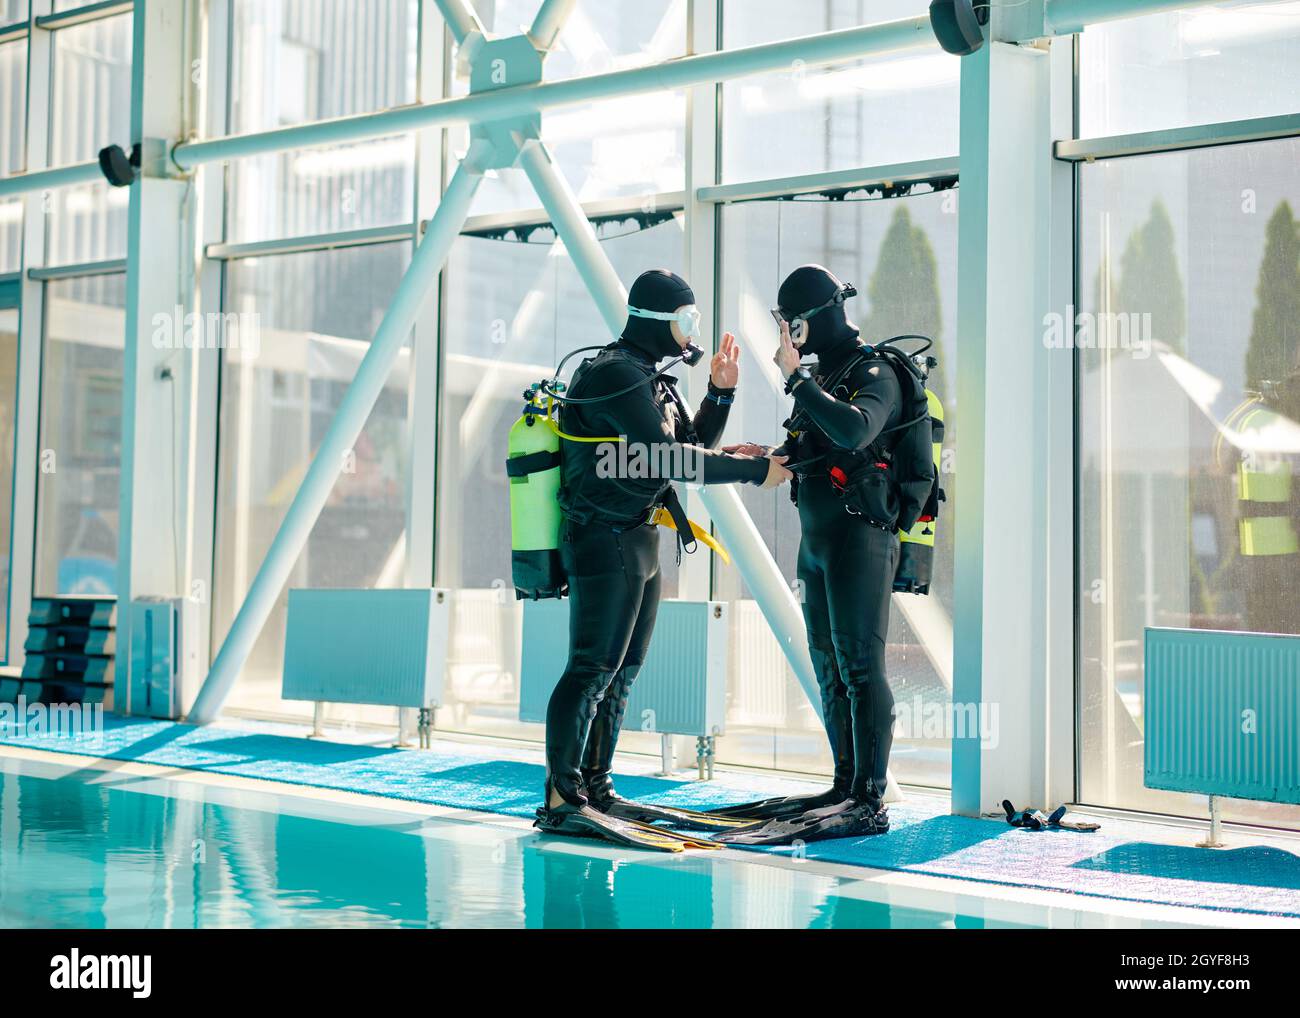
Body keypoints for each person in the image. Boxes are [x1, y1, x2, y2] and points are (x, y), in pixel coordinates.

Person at [535, 268, 792, 851]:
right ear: (661, 318)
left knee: (620, 674)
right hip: (603, 539)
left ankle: (594, 788)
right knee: (590, 669)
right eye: (688, 318)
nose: (693, 329)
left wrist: (721, 392)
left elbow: (688, 447)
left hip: (638, 539)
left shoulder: (649, 377)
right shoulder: (616, 375)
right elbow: (672, 460)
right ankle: (560, 798)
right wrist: (756, 471)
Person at [712, 264, 907, 845]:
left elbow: (855, 431)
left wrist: (797, 381)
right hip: (818, 542)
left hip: (859, 539)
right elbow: (817, 447)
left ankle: (869, 799)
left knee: (861, 665)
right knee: (828, 666)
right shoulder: (829, 376)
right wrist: (769, 454)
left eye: (785, 322)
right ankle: (844, 784)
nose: (781, 334)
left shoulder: (875, 371)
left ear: (804, 322)